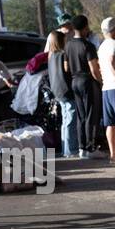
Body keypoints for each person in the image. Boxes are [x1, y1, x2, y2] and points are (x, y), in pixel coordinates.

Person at [66, 15, 106, 158]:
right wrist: (101, 82)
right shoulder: (88, 45)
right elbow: (94, 69)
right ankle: (91, 148)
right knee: (91, 115)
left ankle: (82, 147)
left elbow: (66, 67)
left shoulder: (68, 44)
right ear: (85, 27)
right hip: (87, 81)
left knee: (81, 115)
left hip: (74, 80)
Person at [46, 30, 82, 159]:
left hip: (57, 90)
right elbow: (68, 70)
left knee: (65, 120)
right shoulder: (63, 54)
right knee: (70, 121)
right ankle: (71, 149)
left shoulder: (51, 56)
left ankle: (65, 148)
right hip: (67, 89)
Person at [97, 16, 115, 164]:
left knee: (111, 124)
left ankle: (114, 154)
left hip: (106, 87)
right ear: (114, 30)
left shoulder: (101, 46)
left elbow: (100, 66)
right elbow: (112, 60)